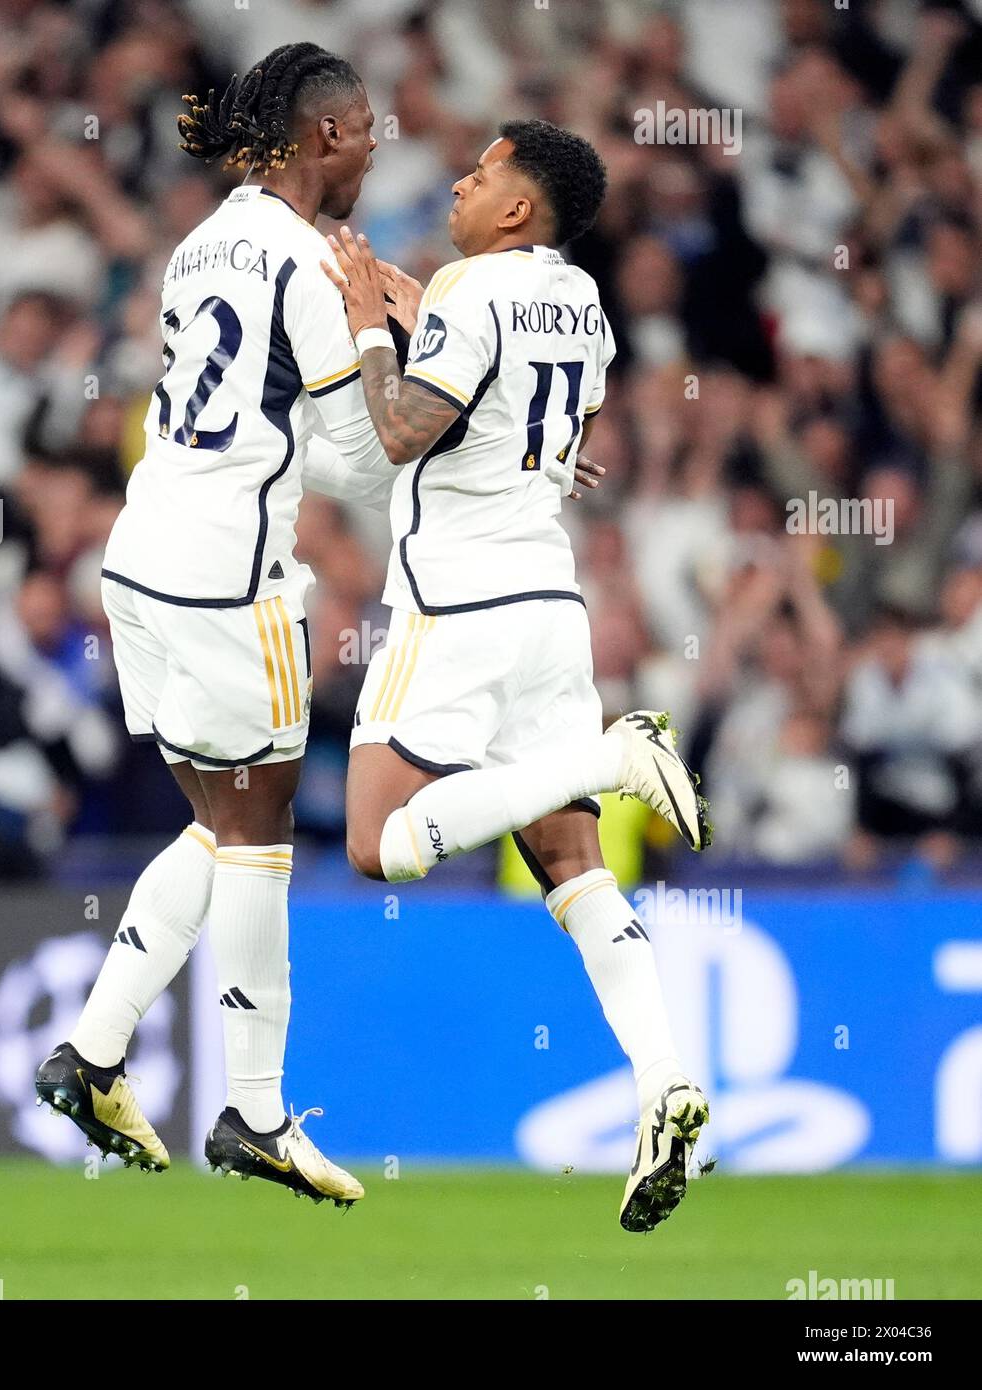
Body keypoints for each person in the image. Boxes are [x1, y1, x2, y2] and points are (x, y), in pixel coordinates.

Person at [323, 119, 709, 1231]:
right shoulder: (578, 299)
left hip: (456, 607)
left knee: (377, 844)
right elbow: (561, 420)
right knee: (576, 874)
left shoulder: (464, 289)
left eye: (481, 172)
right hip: (550, 605)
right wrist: (400, 293)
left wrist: (366, 329)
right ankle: (667, 1083)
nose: (459, 179)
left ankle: (617, 751)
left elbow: (400, 429)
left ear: (516, 210)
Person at [35, 43, 391, 1208]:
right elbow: (350, 456)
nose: (378, 146)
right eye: (368, 128)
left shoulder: (201, 241)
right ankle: (254, 1109)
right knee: (260, 832)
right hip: (229, 575)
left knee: (214, 821)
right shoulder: (304, 259)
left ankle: (91, 1053)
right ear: (325, 137)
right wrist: (381, 339)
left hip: (138, 560)